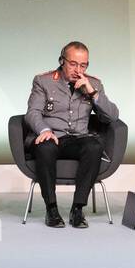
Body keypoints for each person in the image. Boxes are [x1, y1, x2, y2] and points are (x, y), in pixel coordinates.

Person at [24, 41, 120, 228]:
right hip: (52, 137)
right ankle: (51, 209)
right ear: (62, 61)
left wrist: (92, 93)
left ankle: (77, 209)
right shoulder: (43, 81)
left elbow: (112, 117)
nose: (78, 69)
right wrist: (44, 130)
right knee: (45, 147)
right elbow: (32, 112)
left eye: (83, 65)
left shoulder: (94, 84)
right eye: (73, 64)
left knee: (94, 146)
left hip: (78, 139)